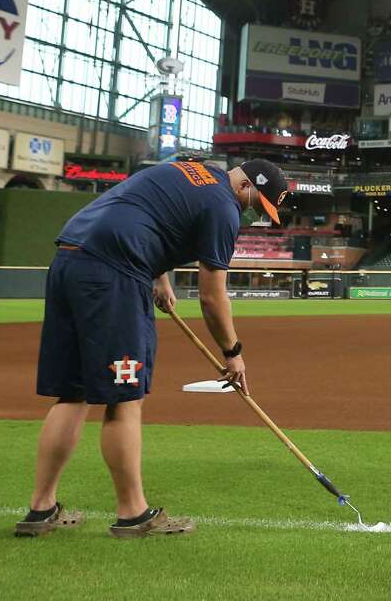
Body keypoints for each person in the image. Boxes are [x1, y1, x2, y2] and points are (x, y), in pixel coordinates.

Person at [15, 158, 288, 539]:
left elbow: (143, 206)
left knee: (73, 393)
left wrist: (159, 274)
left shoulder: (190, 169)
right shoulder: (224, 206)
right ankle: (133, 515)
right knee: (125, 397)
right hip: (114, 273)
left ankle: (40, 510)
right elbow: (212, 297)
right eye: (255, 205)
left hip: (69, 257)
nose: (250, 215)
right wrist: (232, 352)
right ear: (245, 186)